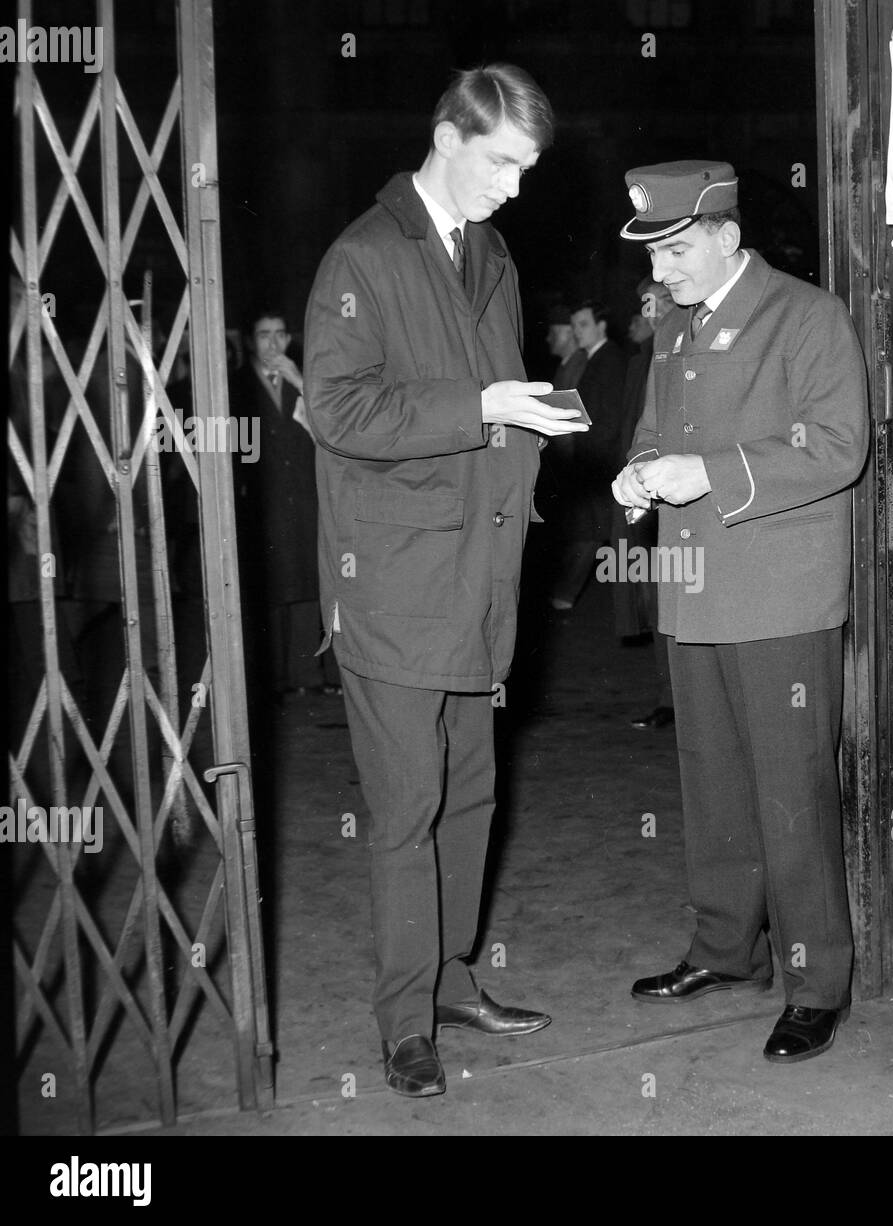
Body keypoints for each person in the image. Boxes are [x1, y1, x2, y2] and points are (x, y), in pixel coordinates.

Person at [303, 63, 586, 1099]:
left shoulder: (494, 256)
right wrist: (482, 408)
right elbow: (339, 410)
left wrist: (532, 428)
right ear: (447, 135)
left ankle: (454, 974)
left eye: (527, 168)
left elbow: (493, 399)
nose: (515, 187)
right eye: (504, 162)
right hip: (395, 584)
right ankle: (403, 1018)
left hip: (479, 573)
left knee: (471, 791)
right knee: (406, 805)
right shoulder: (364, 256)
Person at [612, 161, 870, 1063]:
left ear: (728, 236)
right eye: (654, 257)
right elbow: (657, 429)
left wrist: (710, 476)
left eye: (677, 251)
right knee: (712, 782)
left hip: (780, 593)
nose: (663, 273)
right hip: (695, 587)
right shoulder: (675, 328)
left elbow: (840, 448)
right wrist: (641, 473)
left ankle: (817, 983)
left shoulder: (807, 316)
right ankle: (727, 952)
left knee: (789, 793)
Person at [231, 306, 338, 695]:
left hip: (305, 499)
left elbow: (330, 426)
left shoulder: (304, 382)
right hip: (261, 501)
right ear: (248, 341)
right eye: (264, 334)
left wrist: (297, 377)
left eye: (279, 334)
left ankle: (308, 676)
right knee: (270, 588)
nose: (273, 343)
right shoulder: (236, 386)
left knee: (309, 585)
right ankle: (270, 679)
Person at [614, 276, 674, 726]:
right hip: (644, 493)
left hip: (679, 490)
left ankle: (681, 702)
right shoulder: (642, 359)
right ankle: (667, 698)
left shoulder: (681, 347)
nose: (645, 311)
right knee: (656, 598)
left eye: (651, 301)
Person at [549, 300, 626, 610]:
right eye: (575, 325)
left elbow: (607, 421)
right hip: (590, 461)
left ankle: (565, 597)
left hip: (599, 463)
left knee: (590, 533)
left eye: (583, 325)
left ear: (601, 326)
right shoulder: (595, 359)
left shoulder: (610, 360)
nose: (577, 332)